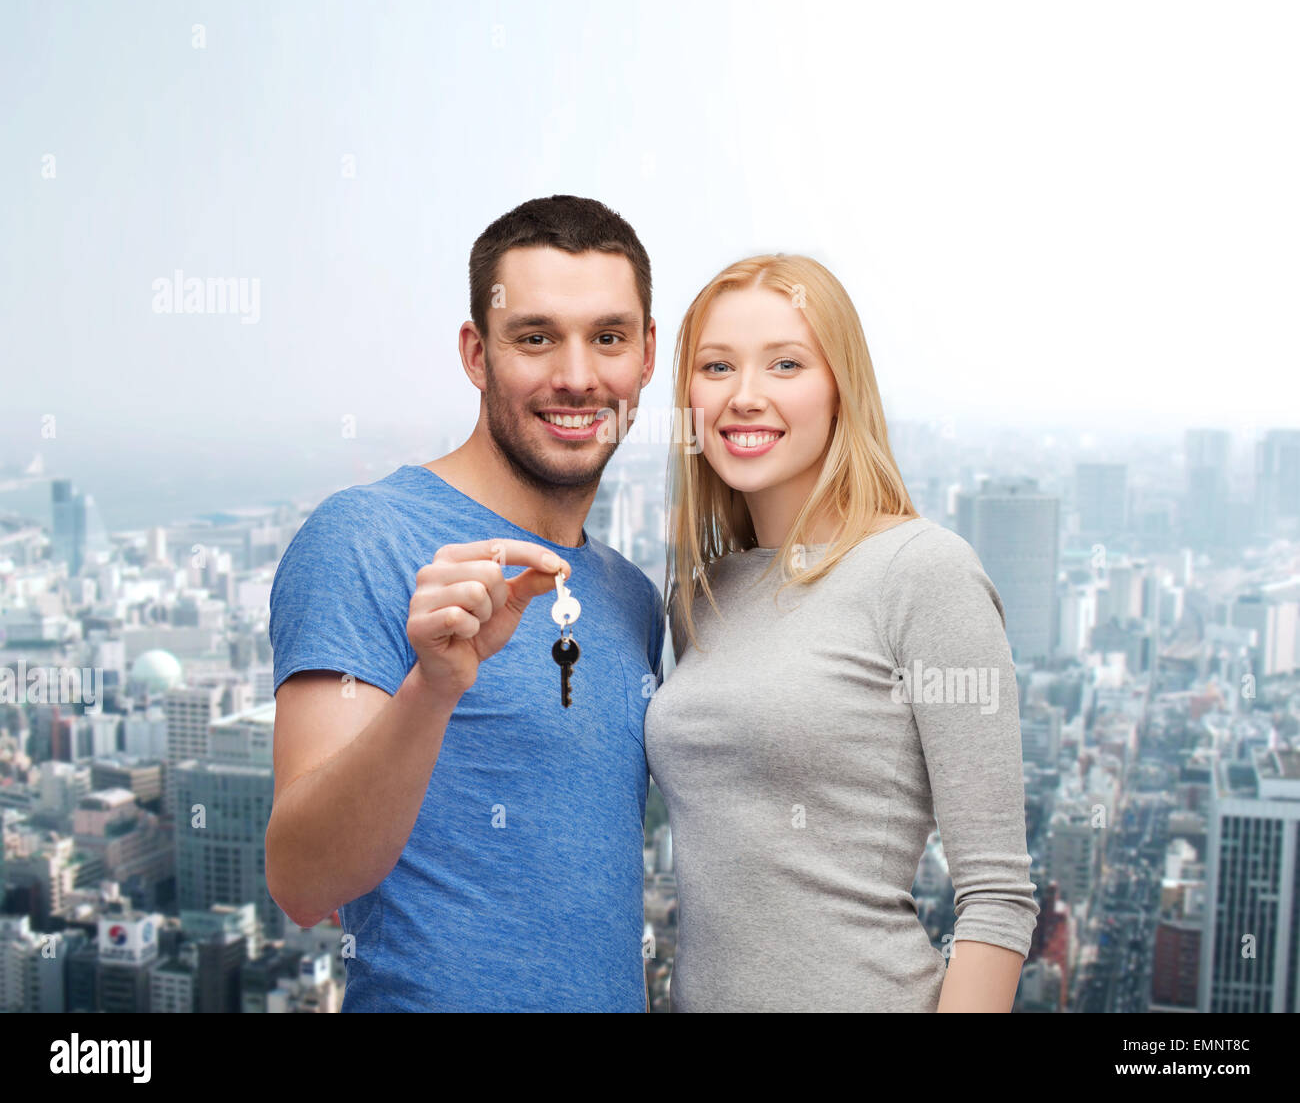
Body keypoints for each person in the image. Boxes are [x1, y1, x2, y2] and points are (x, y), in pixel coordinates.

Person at [266, 194, 665, 1012]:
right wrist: (434, 686)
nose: (578, 376)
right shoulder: (365, 537)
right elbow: (303, 880)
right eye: (536, 337)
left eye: (609, 338)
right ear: (476, 355)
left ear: (647, 356)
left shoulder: (633, 596)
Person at [643, 253, 1040, 1012]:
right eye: (717, 366)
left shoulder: (924, 572)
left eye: (785, 363)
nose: (745, 396)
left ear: (839, 389)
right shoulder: (703, 595)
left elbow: (997, 894)